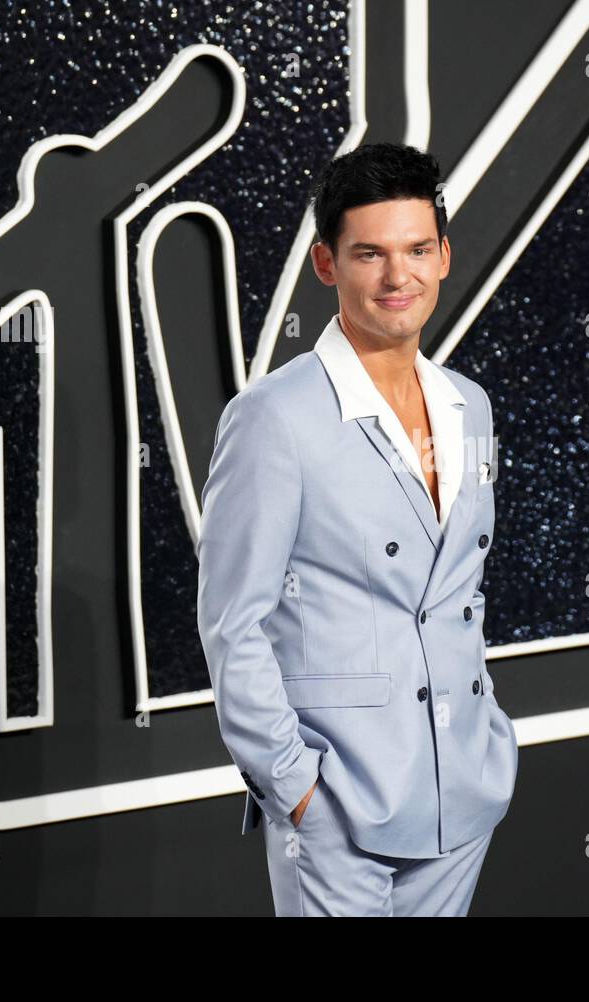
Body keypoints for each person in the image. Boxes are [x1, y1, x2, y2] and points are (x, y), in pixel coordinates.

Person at [196, 142, 518, 915]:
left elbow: (458, 593)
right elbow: (232, 624)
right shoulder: (274, 418)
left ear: (444, 256)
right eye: (369, 253)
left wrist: (488, 736)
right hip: (339, 810)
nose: (396, 276)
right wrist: (295, 789)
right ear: (326, 264)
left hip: (461, 793)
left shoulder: (469, 406)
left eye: (415, 250)